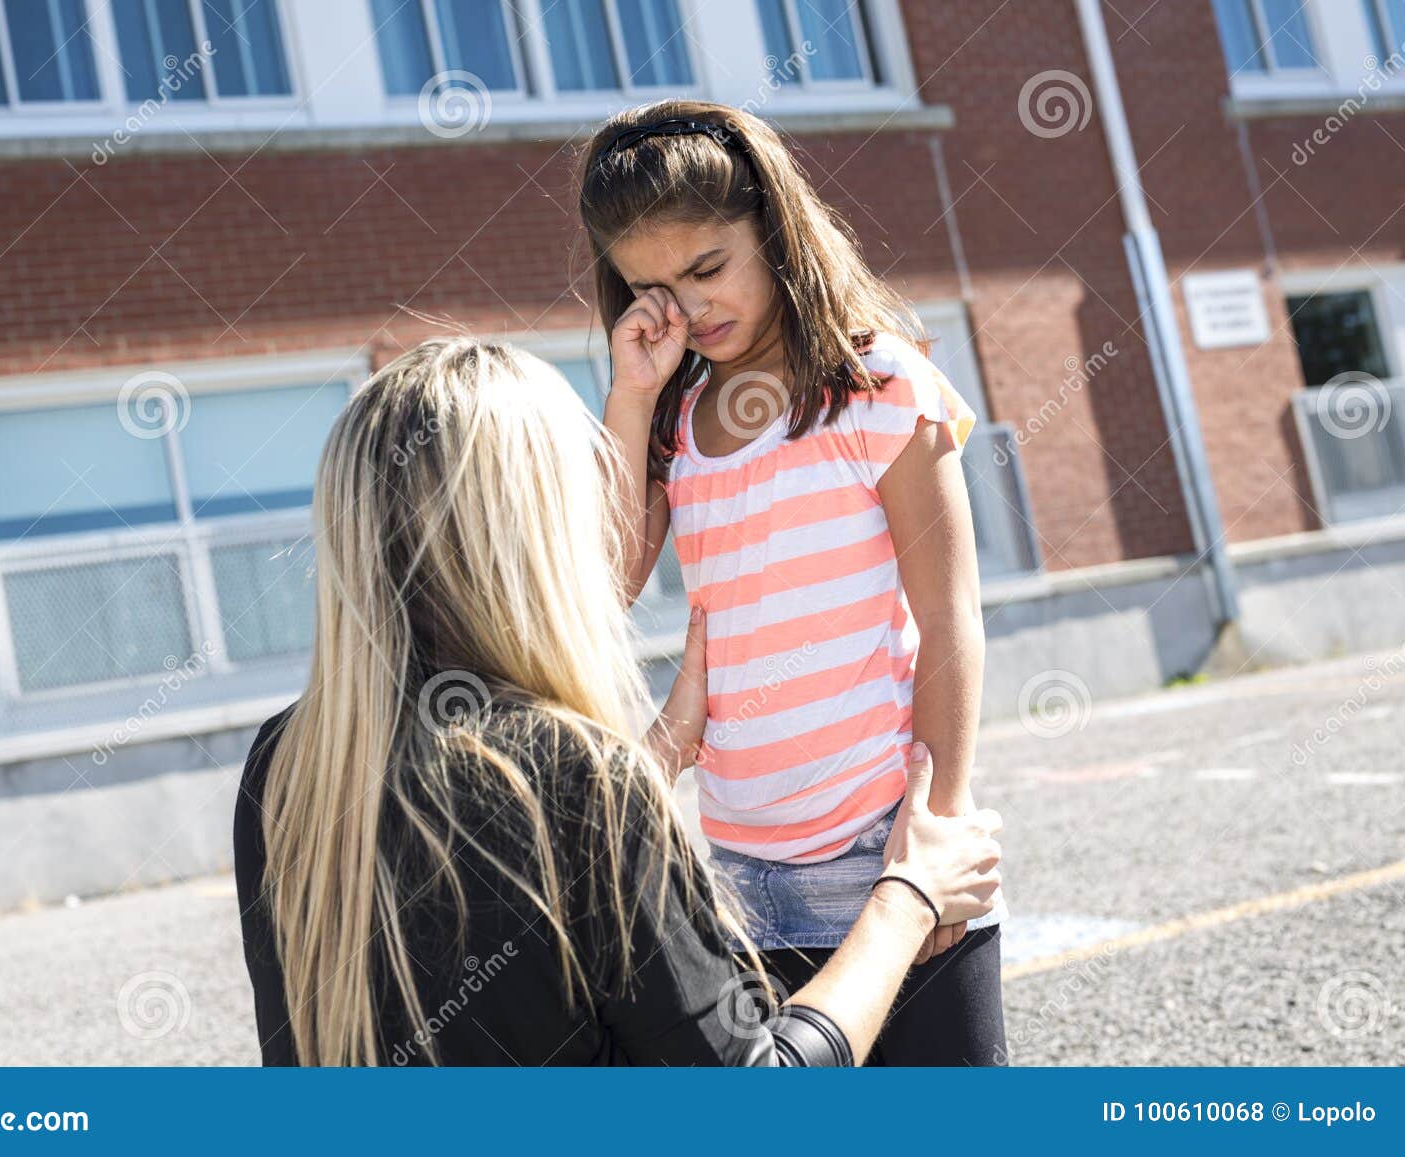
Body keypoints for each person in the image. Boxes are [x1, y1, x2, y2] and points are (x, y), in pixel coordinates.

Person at [233, 336, 1002, 1065]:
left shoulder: (284, 767)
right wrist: (907, 897)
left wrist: (658, 754)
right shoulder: (581, 780)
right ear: (531, 535)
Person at [580, 99, 1009, 1064]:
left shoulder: (881, 383)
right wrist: (633, 392)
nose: (687, 308)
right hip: (735, 873)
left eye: (706, 268)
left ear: (774, 232)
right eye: (651, 287)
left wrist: (933, 830)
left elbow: (950, 619)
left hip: (886, 849)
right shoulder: (671, 420)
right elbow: (601, 585)